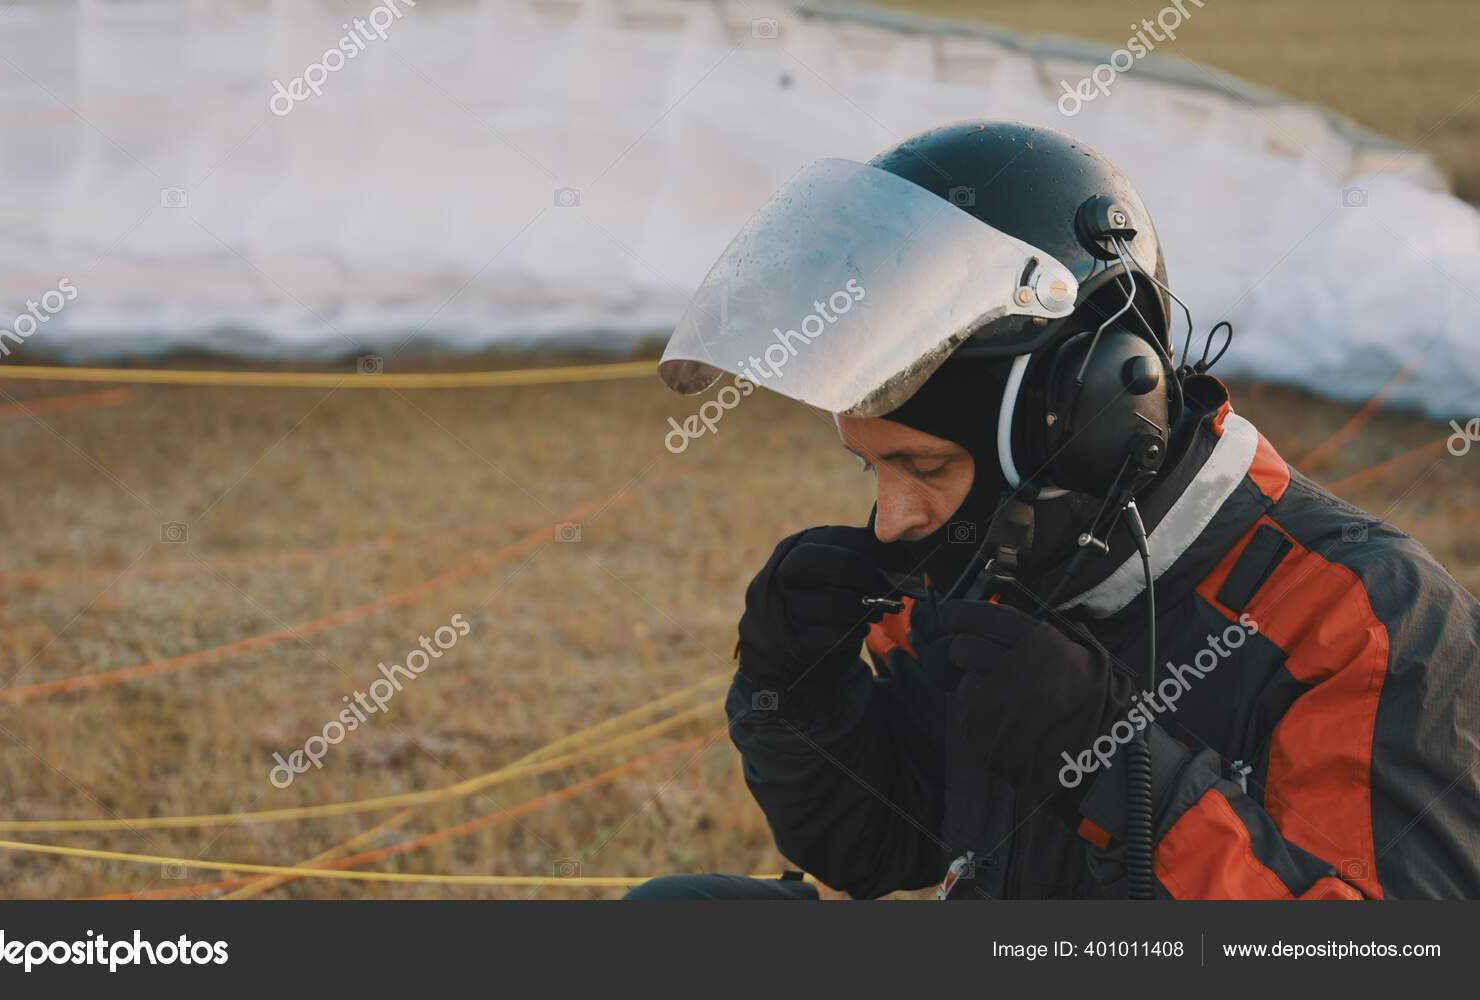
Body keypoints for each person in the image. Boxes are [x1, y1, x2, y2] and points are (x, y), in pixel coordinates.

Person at [629, 120, 1480, 900]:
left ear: (1093, 416)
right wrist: (800, 692)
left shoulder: (1369, 623)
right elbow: (876, 846)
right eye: (871, 465)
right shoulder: (999, 560)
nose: (890, 520)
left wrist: (1118, 768)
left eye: (921, 465)